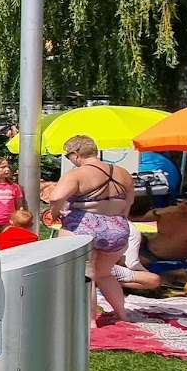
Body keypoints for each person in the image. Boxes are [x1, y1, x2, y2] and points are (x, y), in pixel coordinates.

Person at [46, 135, 134, 324]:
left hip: (83, 227)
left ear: (76, 154)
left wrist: (55, 213)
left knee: (86, 275)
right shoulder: (122, 172)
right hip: (117, 227)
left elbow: (55, 197)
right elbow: (129, 202)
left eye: (68, 155)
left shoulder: (76, 174)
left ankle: (89, 321)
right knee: (104, 273)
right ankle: (122, 314)